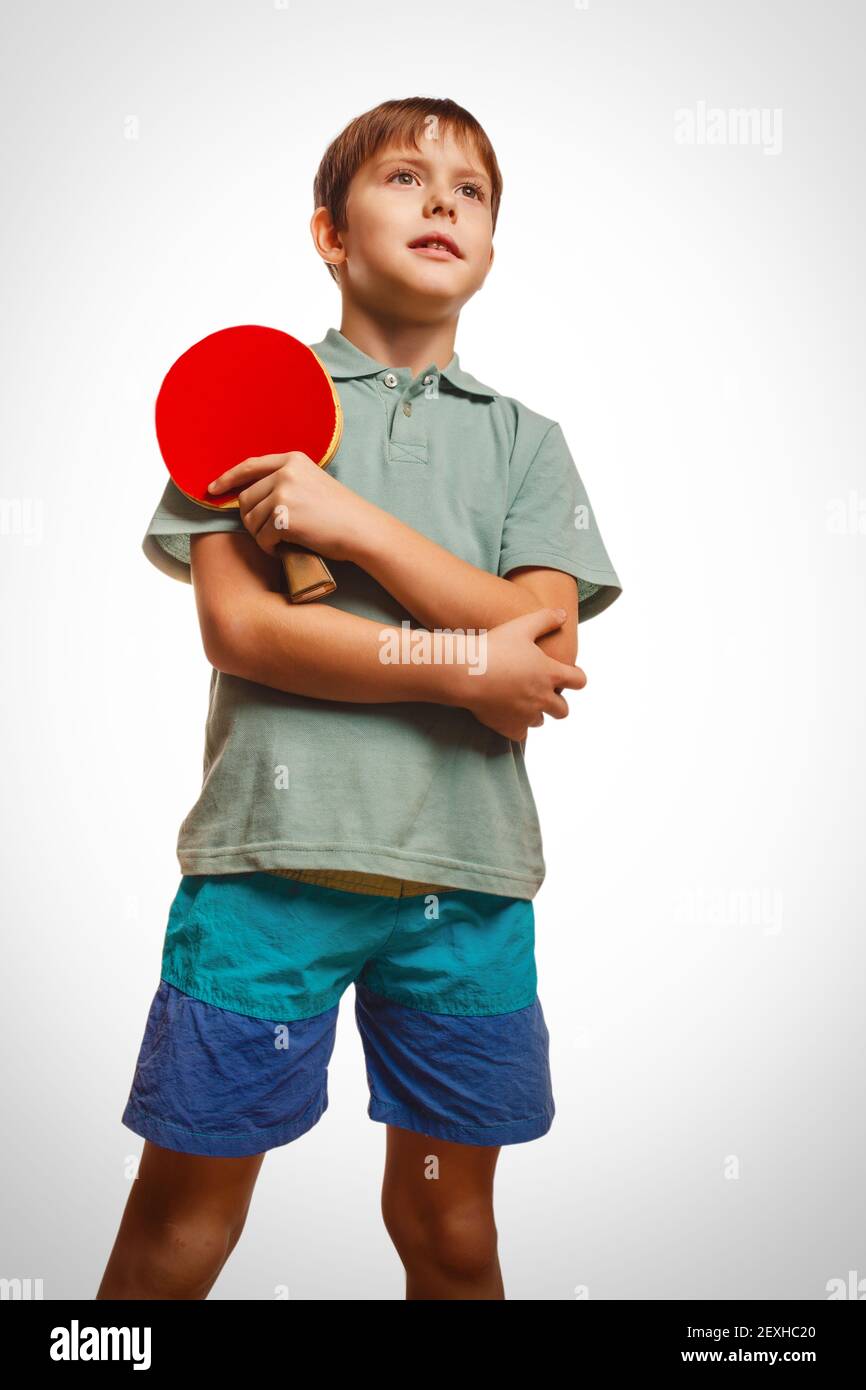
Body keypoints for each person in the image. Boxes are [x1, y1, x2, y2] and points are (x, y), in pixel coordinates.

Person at [98, 95, 622, 1301]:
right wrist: (462, 668)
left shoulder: (527, 443)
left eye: (470, 190)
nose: (441, 201)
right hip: (265, 879)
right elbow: (242, 631)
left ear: (489, 243)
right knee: (178, 1229)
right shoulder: (244, 400)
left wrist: (349, 525)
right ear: (330, 235)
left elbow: (535, 644)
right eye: (404, 177)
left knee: (450, 1238)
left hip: (466, 887)